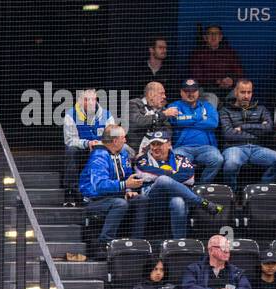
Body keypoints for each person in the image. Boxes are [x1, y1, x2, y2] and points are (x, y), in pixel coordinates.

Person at [131, 130, 219, 242]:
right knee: (162, 180)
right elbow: (145, 175)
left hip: (177, 198)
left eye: (160, 144)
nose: (155, 148)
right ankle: (201, 202)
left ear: (169, 144)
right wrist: (172, 175)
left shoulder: (181, 158)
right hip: (154, 202)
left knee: (177, 201)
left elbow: (189, 178)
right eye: (153, 144)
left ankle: (180, 243)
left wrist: (164, 177)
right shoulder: (142, 160)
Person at [78, 125, 137, 259]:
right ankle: (104, 244)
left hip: (115, 196)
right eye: (123, 138)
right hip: (95, 202)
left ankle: (135, 242)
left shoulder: (122, 154)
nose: (125, 140)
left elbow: (127, 174)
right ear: (115, 141)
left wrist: (129, 189)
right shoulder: (99, 156)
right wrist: (124, 185)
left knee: (140, 200)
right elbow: (100, 185)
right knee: (120, 204)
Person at [219, 78, 276, 189]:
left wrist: (242, 127)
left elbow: (269, 128)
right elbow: (228, 134)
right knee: (231, 164)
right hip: (234, 148)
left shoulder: (261, 109)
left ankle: (261, 189)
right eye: (242, 92)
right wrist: (258, 130)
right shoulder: (225, 110)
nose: (246, 96)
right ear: (235, 92)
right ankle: (233, 193)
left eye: (249, 92)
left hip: (257, 148)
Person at [165, 78, 222, 184]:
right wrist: (198, 117)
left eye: (193, 91)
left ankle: (202, 186)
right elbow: (176, 122)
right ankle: (184, 188)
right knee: (175, 161)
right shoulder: (174, 106)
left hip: (206, 148)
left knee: (217, 159)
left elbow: (213, 123)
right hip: (182, 148)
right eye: (187, 91)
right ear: (181, 92)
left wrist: (187, 120)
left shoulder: (207, 106)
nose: (190, 94)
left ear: (198, 92)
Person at [189, 24, 244, 101]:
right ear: (205, 38)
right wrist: (217, 81)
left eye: (216, 34)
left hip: (227, 89)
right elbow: (196, 77)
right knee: (212, 99)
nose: (213, 36)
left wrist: (232, 80)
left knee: (240, 94)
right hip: (207, 90)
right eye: (210, 33)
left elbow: (239, 73)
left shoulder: (229, 53)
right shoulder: (197, 54)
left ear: (221, 37)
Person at [127, 81, 174, 147]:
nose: (164, 96)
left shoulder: (163, 110)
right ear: (150, 94)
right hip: (134, 148)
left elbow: (167, 130)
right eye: (161, 93)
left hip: (155, 147)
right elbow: (137, 122)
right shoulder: (133, 104)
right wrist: (160, 116)